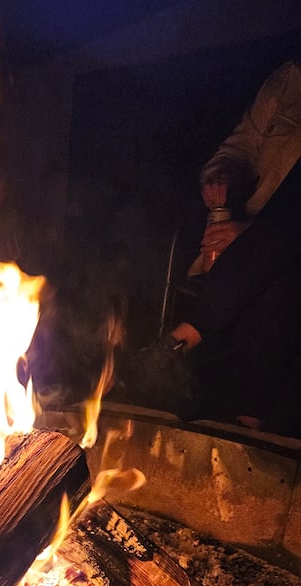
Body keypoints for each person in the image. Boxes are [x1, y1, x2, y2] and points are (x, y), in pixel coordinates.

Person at [126, 60, 301, 435]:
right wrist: (223, 172)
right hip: (235, 262)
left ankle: (176, 342)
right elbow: (241, 146)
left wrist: (254, 235)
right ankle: (248, 432)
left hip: (270, 255)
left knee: (284, 259)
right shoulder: (292, 81)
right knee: (276, 272)